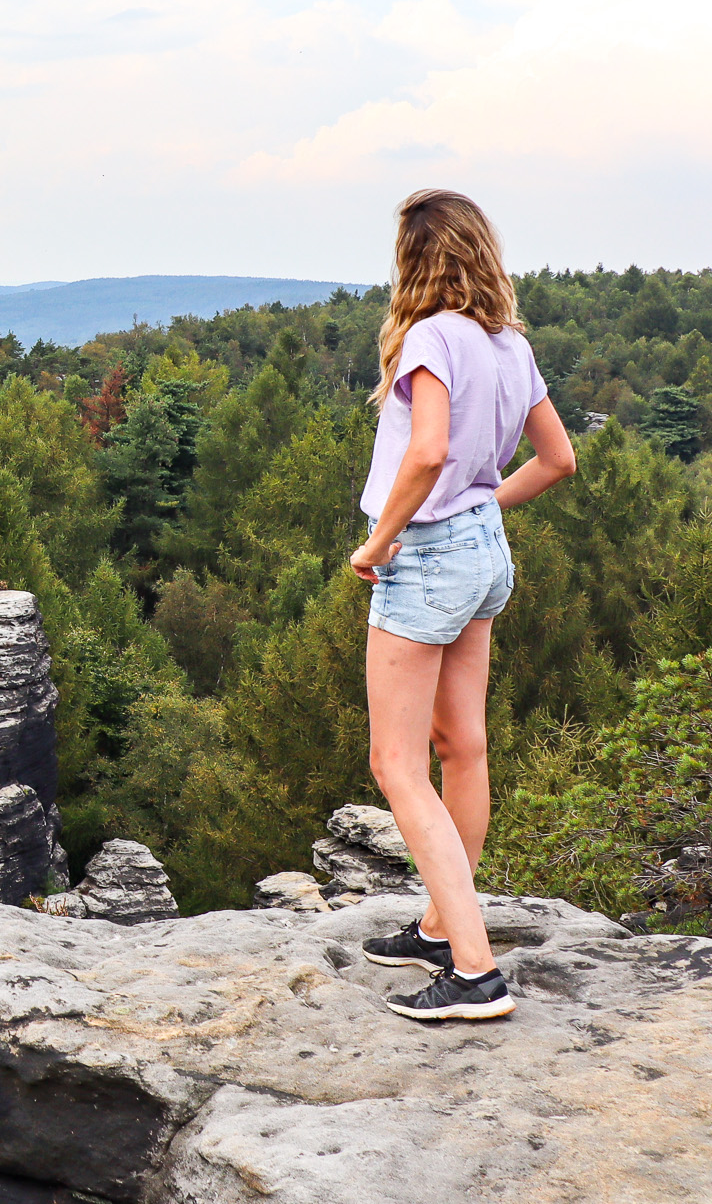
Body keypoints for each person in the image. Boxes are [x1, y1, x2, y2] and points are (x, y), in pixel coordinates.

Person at [346, 189, 577, 1022]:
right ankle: (446, 927)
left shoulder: (426, 339)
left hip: (426, 553)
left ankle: (474, 971)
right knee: (461, 747)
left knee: (395, 762)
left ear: (414, 260)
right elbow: (558, 458)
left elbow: (429, 450)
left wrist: (381, 541)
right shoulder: (508, 344)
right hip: (483, 553)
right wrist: (484, 508)